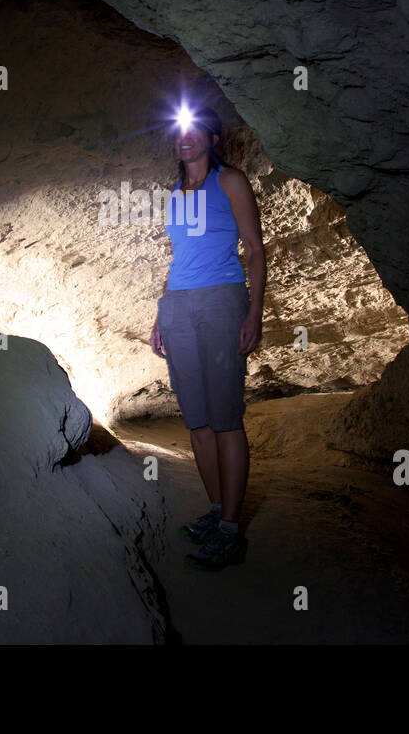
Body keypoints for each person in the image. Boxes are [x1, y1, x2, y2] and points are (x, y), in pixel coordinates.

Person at [151, 103, 265, 571]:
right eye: (180, 130)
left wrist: (254, 313)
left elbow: (256, 251)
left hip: (221, 299)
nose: (186, 137)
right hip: (178, 304)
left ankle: (232, 531)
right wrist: (161, 312)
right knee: (197, 421)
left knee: (225, 419)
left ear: (211, 137)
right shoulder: (175, 193)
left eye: (195, 129)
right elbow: (179, 259)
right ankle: (218, 513)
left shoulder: (230, 181)